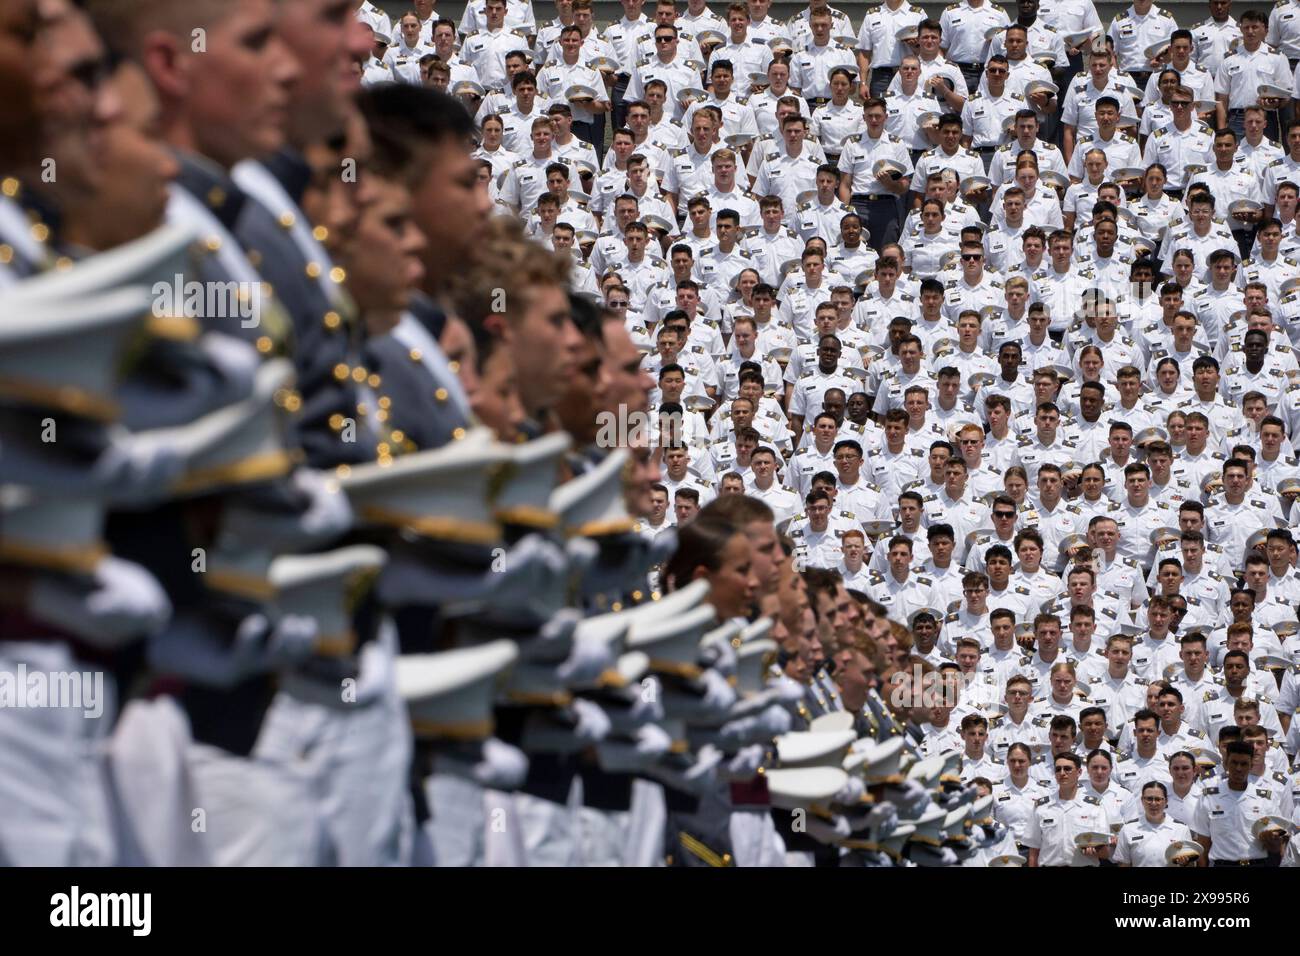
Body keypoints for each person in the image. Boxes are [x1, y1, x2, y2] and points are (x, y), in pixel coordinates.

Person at [1114, 781, 1195, 866]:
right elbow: (1124, 864)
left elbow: (1190, 864)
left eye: (1158, 799)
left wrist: (1185, 863)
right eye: (1149, 799)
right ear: (1142, 800)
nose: (1153, 803)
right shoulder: (1128, 829)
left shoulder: (1181, 829)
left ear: (1166, 801)